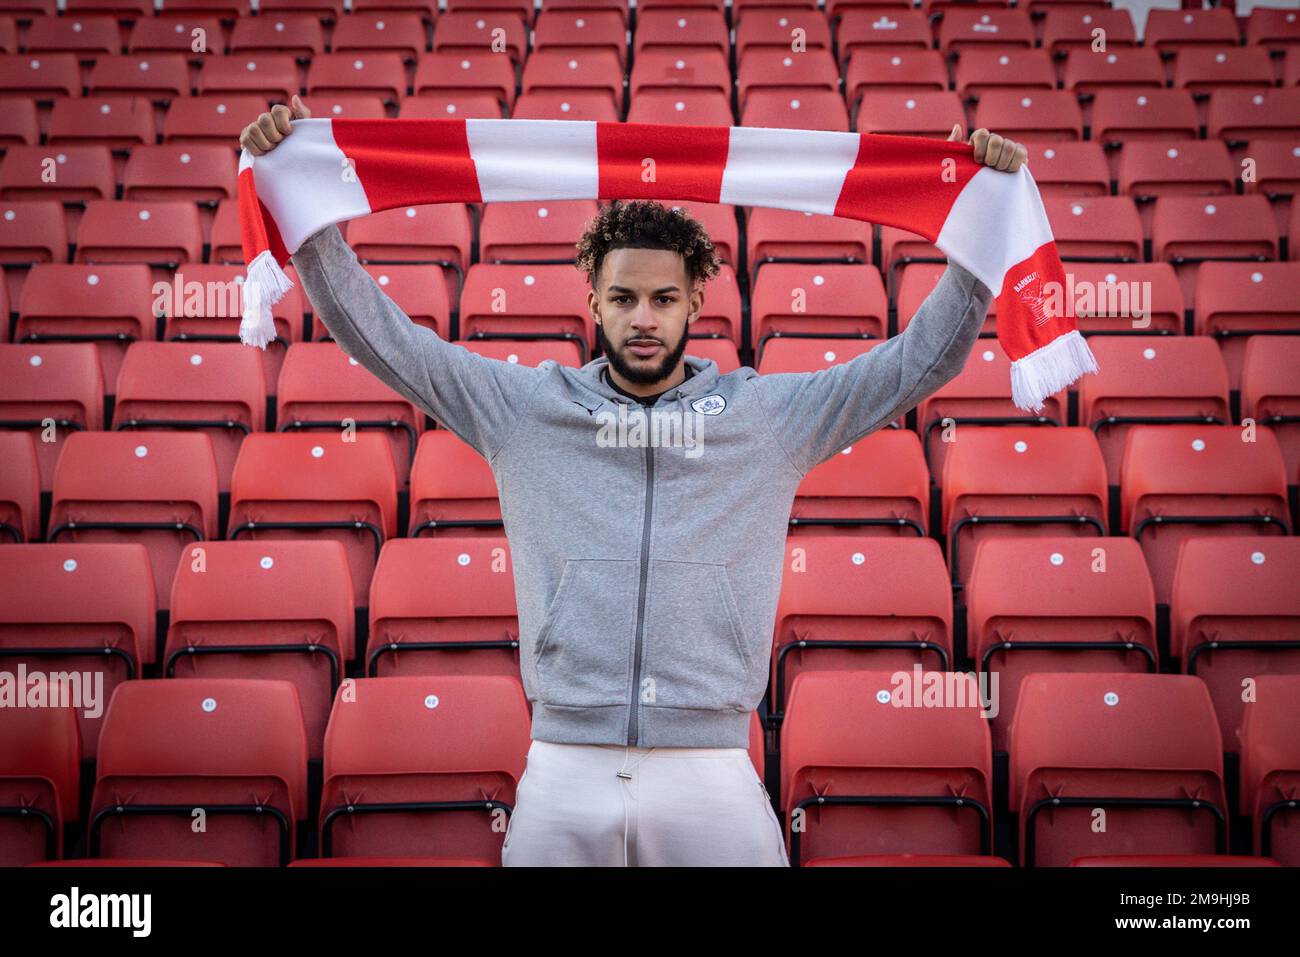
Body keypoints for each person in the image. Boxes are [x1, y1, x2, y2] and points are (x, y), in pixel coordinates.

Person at [240, 98, 1023, 866]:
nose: (642, 318)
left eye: (661, 299)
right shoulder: (528, 408)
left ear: (694, 303)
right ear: (593, 301)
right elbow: (388, 342)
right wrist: (309, 212)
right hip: (562, 763)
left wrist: (973, 229)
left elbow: (919, 360)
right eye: (622, 298)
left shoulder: (765, 417)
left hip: (712, 767)